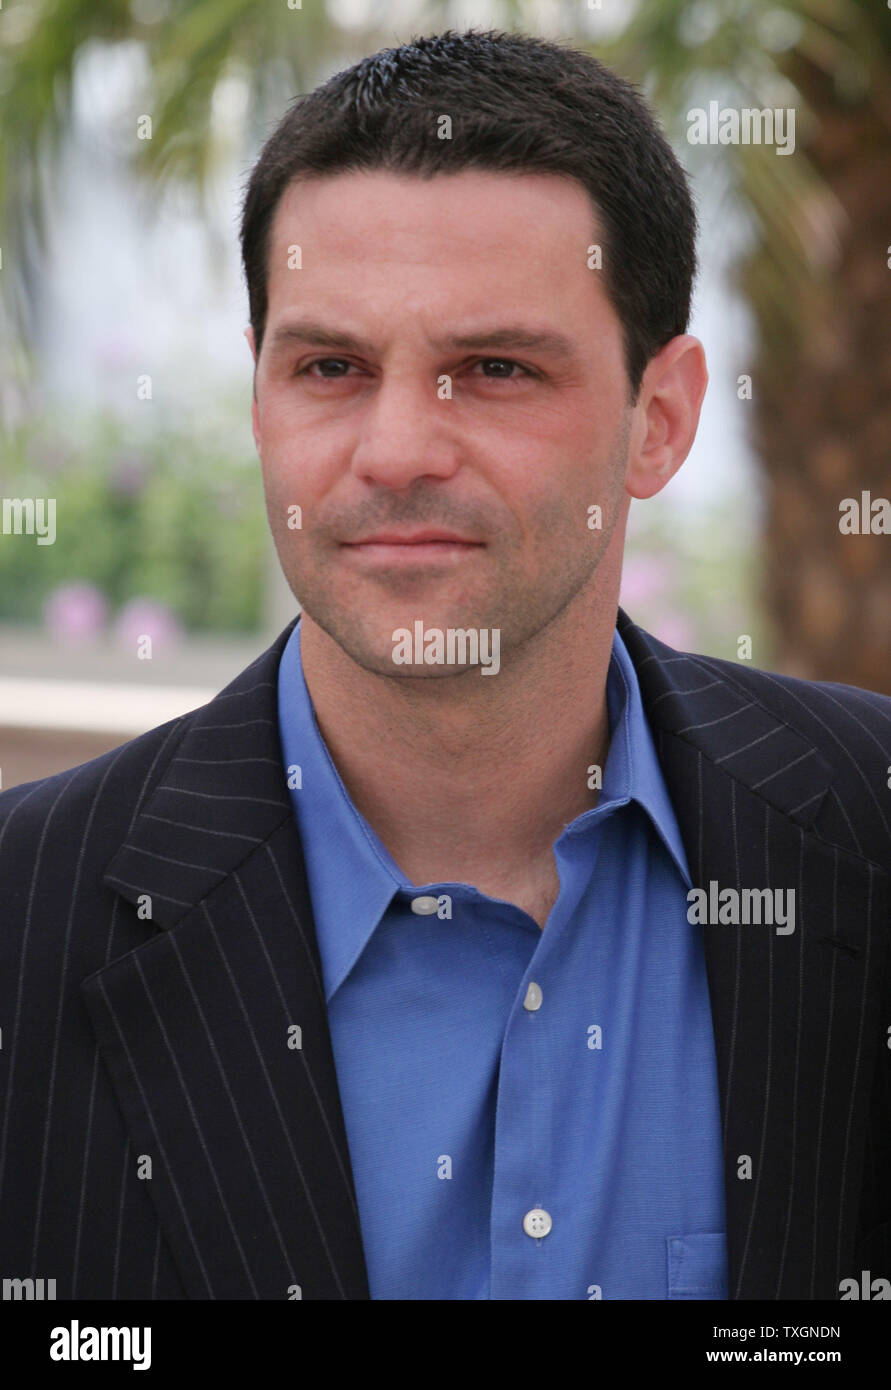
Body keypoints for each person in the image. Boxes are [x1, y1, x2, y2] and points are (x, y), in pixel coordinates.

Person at [0, 29, 888, 1303]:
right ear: (259, 402)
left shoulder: (867, 832)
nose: (399, 448)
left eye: (496, 369)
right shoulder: (22, 919)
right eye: (330, 368)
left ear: (663, 418)